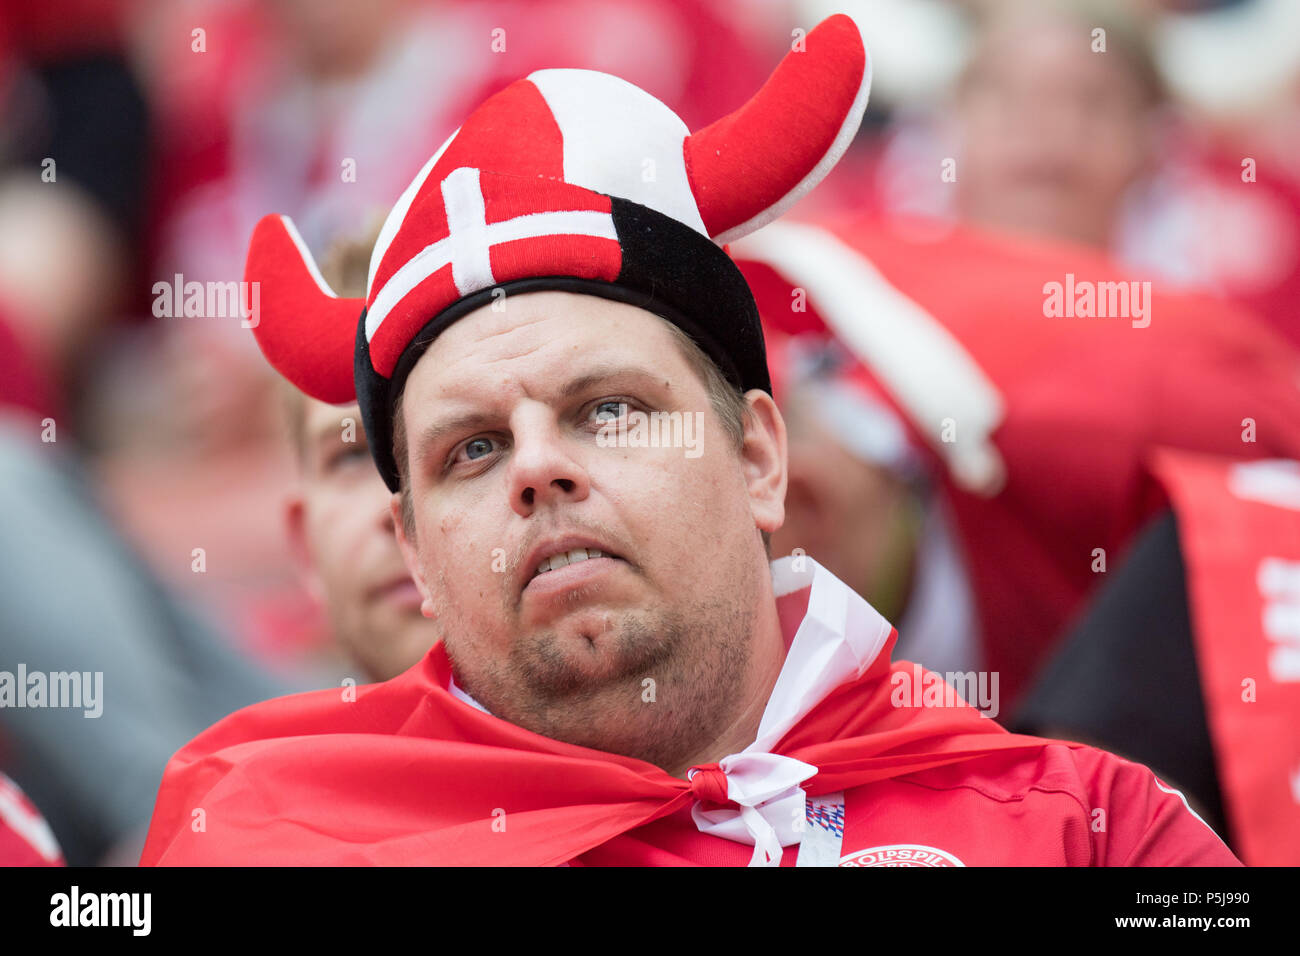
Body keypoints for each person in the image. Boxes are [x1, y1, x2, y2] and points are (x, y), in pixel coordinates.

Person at [139, 14, 1239, 866]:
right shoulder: (259, 830)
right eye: (469, 449)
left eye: (607, 409)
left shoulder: (1087, 823)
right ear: (415, 551)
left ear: (761, 457)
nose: (536, 465)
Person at [281, 229, 434, 682]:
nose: (398, 511)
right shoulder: (234, 752)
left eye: (468, 446)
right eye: (350, 457)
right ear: (305, 545)